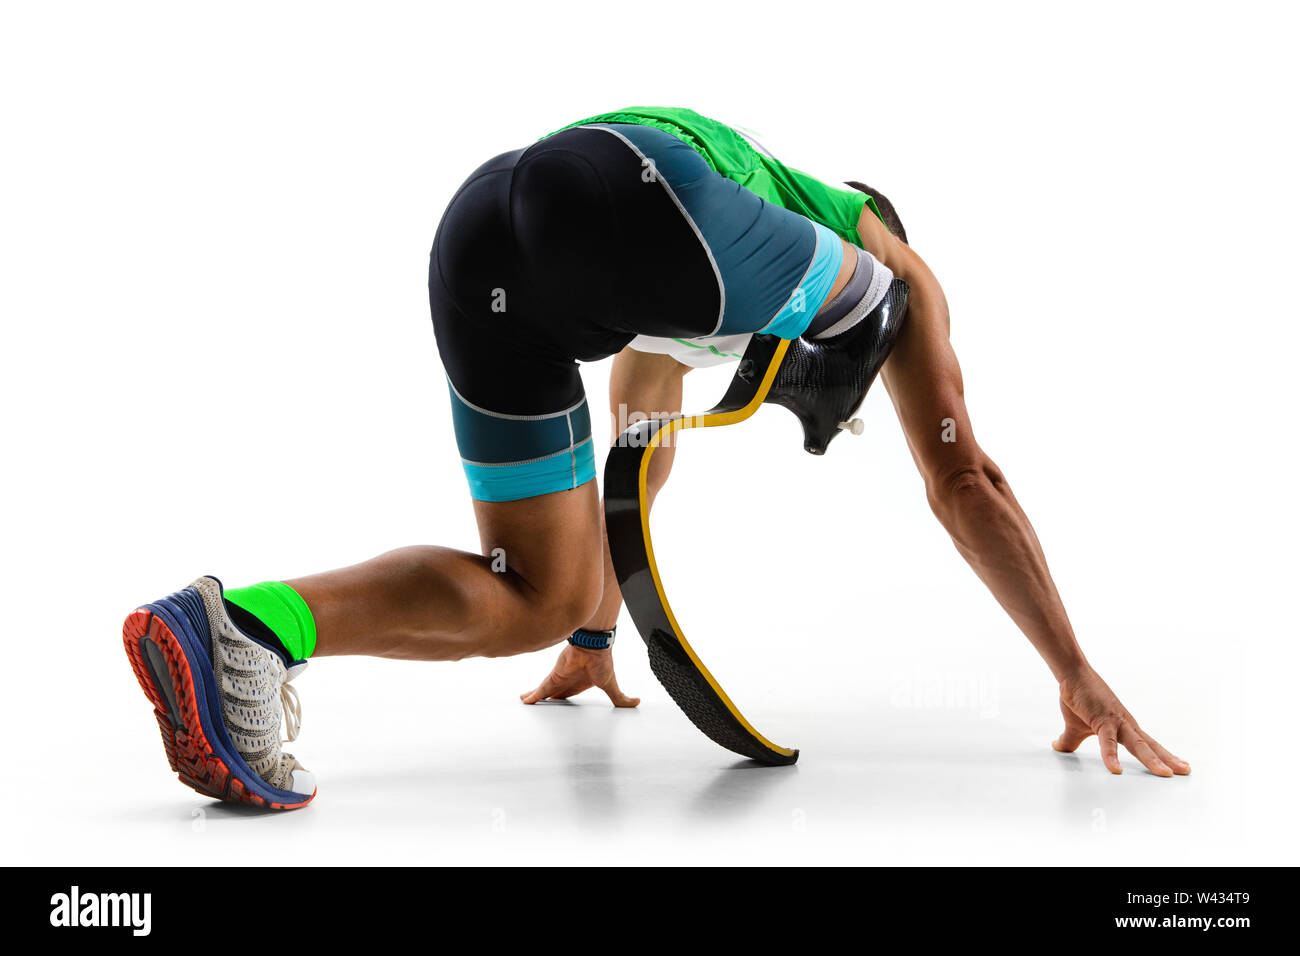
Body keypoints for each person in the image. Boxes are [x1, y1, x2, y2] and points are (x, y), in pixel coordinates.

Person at [121, 107, 1188, 810]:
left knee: (532, 594)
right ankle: (839, 349)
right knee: (880, 302)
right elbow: (964, 479)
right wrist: (1075, 669)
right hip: (635, 188)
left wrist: (592, 626)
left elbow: (636, 464)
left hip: (487, 237)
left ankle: (244, 627)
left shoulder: (682, 306)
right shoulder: (847, 236)